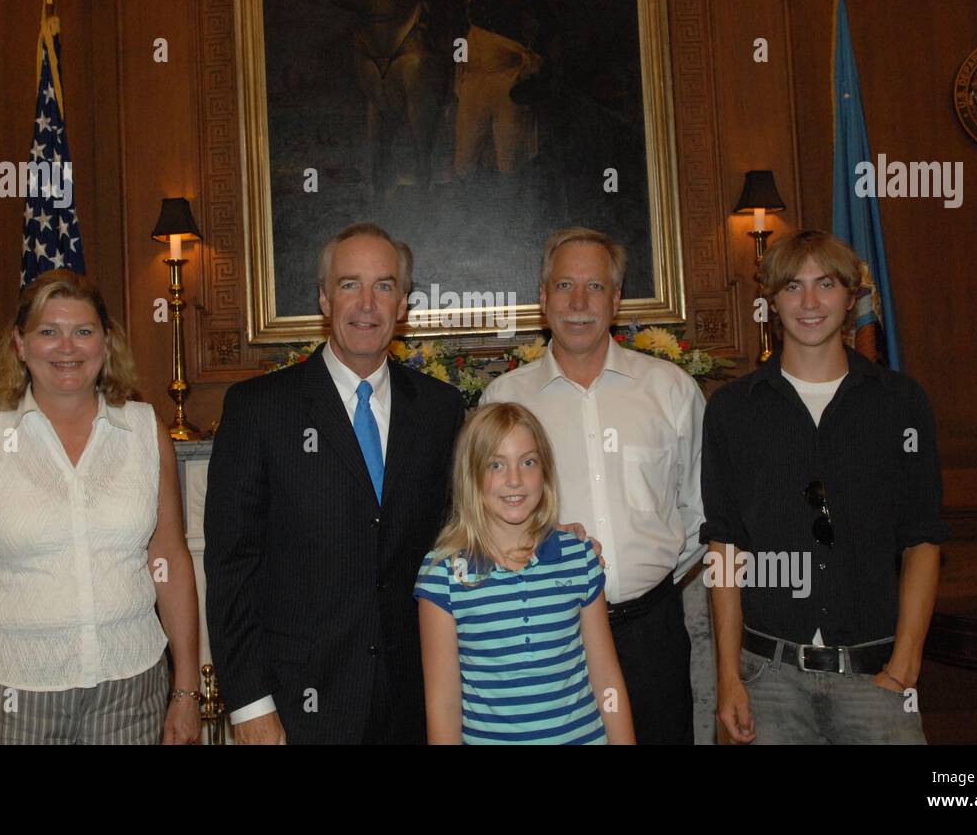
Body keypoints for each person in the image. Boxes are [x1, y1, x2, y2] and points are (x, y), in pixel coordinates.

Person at [204, 222, 468, 744]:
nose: (367, 304)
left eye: (384, 286)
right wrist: (250, 704)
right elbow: (231, 566)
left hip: (416, 703)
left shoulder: (441, 410)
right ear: (324, 299)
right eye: (350, 285)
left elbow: (461, 539)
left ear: (404, 304)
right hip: (299, 705)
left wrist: (547, 541)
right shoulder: (260, 409)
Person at [0, 270, 201, 745]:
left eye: (83, 331)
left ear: (106, 341)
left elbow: (170, 561)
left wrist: (187, 690)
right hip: (15, 700)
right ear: (20, 344)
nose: (67, 347)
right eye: (48, 332)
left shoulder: (144, 429)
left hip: (132, 694)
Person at [701, 230, 948, 745]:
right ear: (771, 302)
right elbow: (725, 547)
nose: (809, 303)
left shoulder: (901, 403)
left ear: (851, 296)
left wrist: (904, 664)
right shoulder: (732, 409)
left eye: (826, 284)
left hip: (875, 676)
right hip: (765, 678)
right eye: (793, 287)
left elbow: (923, 538)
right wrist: (728, 677)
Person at [481, 227, 707, 744]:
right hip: (548, 635)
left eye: (596, 287)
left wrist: (645, 576)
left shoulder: (670, 390)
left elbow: (699, 510)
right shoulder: (504, 399)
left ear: (618, 298)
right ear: (542, 299)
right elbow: (486, 517)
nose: (579, 302)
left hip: (652, 630)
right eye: (564, 286)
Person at [416, 402, 635, 745]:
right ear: (470, 475)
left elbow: (606, 677)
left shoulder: (578, 558)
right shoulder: (443, 575)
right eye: (496, 465)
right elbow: (443, 705)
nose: (514, 479)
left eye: (528, 462)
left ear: (545, 471)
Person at [447, 0, 557, 178]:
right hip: (472, 80)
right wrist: (460, 70)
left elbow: (549, 21)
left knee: (508, 159)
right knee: (465, 160)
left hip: (505, 79)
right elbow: (454, 34)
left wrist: (533, 58)